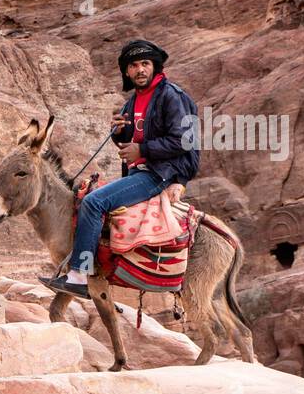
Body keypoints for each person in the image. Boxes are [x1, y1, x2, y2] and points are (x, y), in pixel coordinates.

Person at [41, 39, 198, 300]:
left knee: (93, 203)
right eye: (134, 65)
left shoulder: (172, 96)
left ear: (155, 67)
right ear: (126, 71)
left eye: (145, 64)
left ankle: (79, 275)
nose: (140, 70)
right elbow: (130, 138)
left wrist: (143, 150)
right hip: (140, 173)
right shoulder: (133, 102)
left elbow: (185, 141)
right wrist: (120, 131)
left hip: (159, 174)